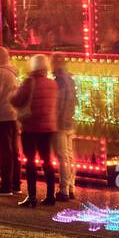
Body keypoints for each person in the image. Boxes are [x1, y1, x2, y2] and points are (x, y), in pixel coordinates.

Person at [10, 54, 59, 207]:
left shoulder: (28, 82)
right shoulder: (52, 84)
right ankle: (50, 196)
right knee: (47, 161)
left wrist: (13, 92)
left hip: (31, 126)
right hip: (48, 127)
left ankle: (32, 197)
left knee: (30, 161)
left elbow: (16, 101)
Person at [0, 47, 21, 194]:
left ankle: (6, 185)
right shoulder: (13, 73)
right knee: (13, 151)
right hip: (12, 115)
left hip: (2, 116)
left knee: (3, 151)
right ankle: (15, 184)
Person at [50, 53, 78, 202]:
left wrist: (55, 119)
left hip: (61, 123)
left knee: (62, 157)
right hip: (70, 122)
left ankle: (64, 189)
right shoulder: (71, 80)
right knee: (69, 155)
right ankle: (72, 187)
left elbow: (59, 105)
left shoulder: (59, 82)